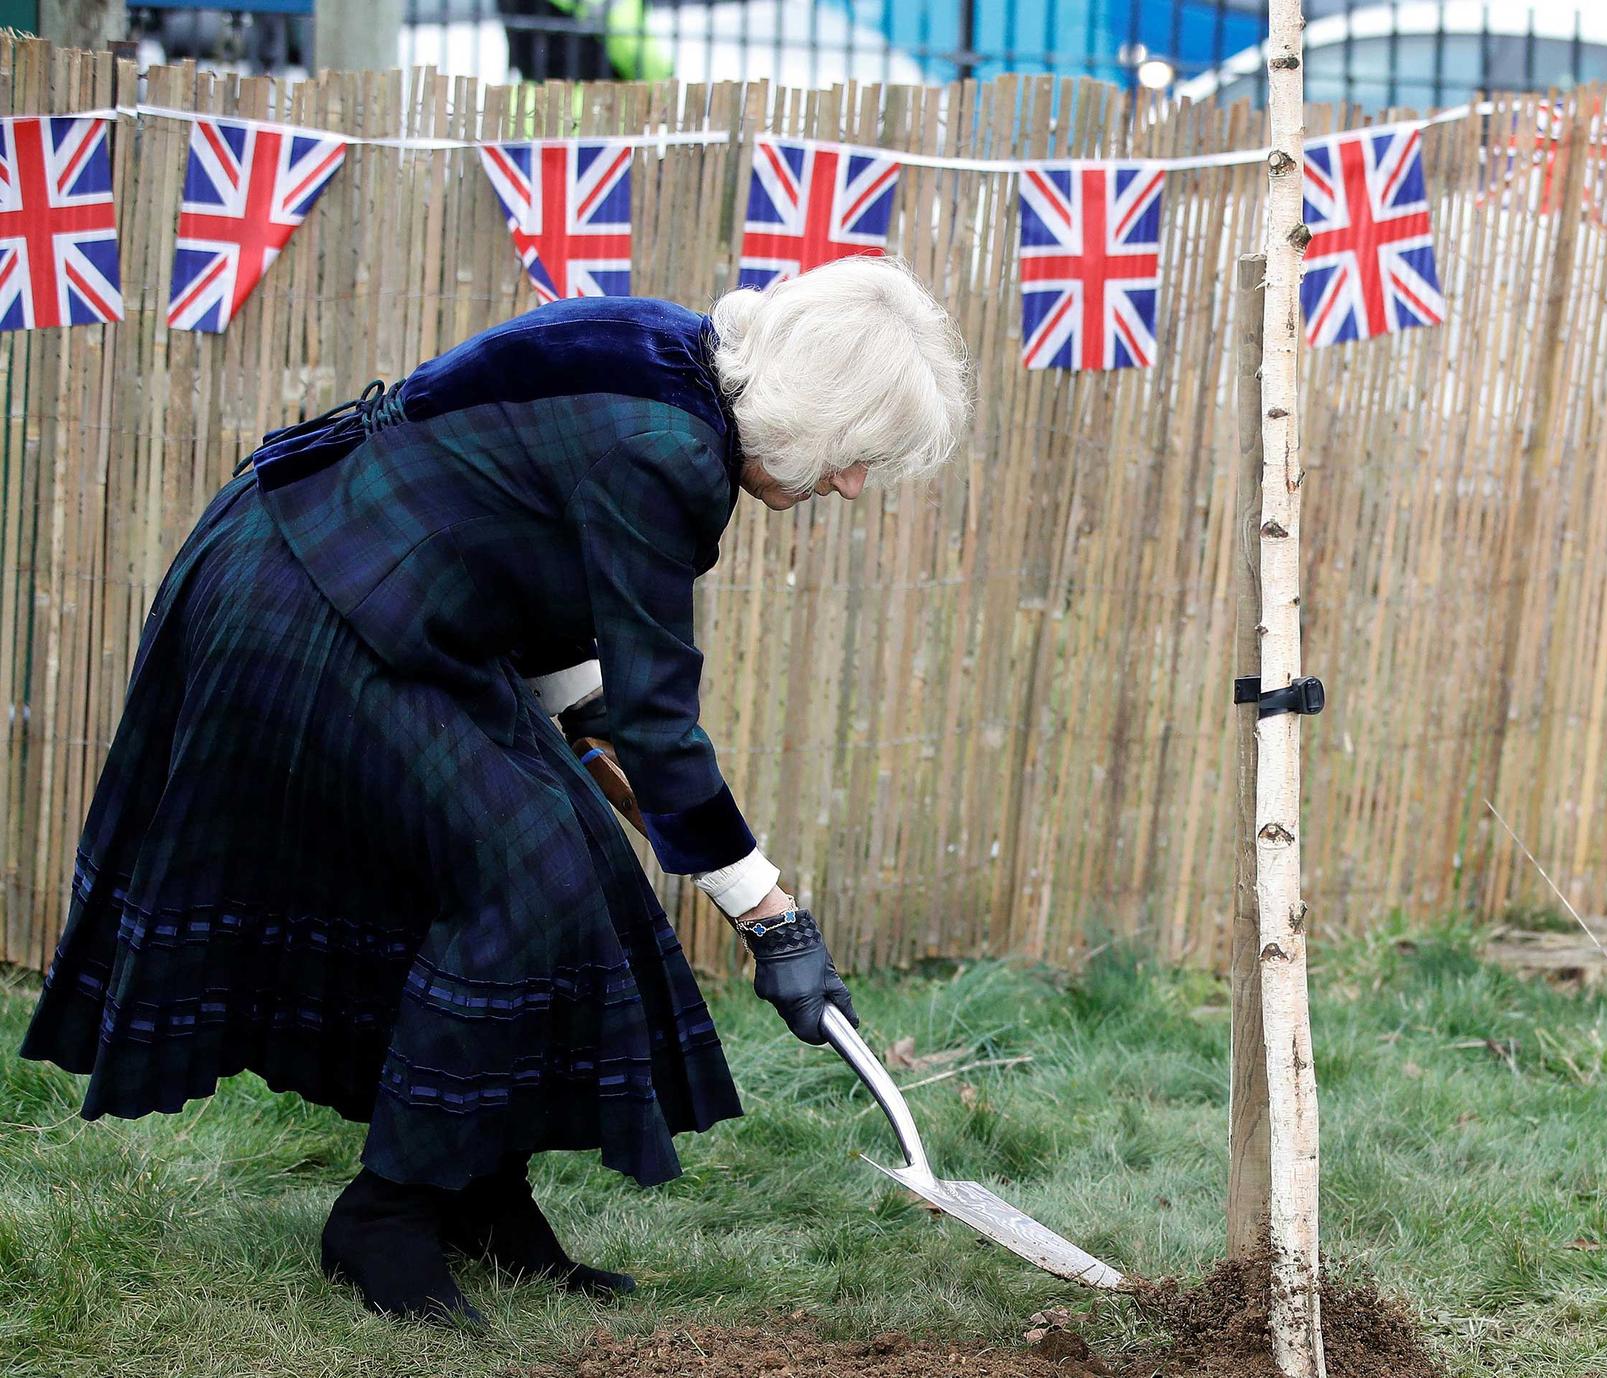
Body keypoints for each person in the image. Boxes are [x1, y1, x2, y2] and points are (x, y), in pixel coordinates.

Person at [17, 255, 971, 1326]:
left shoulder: (673, 353)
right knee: (527, 873)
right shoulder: (668, 448)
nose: (847, 488)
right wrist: (770, 914)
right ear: (817, 408)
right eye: (854, 460)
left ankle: (481, 1193)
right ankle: (385, 1216)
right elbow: (659, 721)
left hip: (399, 592)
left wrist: (611, 750)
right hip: (310, 592)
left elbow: (545, 576)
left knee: (580, 865)